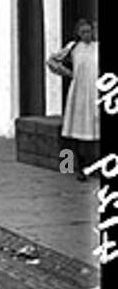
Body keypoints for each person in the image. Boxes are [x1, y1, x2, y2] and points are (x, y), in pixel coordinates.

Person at [49, 19, 99, 181]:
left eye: (89, 31)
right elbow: (52, 61)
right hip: (79, 92)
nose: (87, 35)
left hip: (95, 91)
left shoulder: (97, 47)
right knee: (75, 129)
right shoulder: (73, 48)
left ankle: (95, 166)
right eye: (83, 32)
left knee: (94, 127)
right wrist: (68, 73)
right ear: (78, 33)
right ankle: (74, 166)